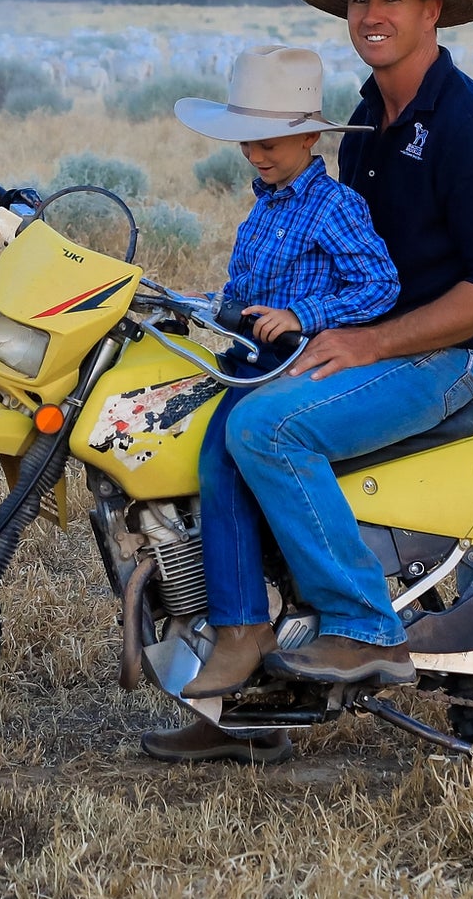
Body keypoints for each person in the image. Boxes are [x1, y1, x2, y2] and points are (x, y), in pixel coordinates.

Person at [143, 0, 473, 766]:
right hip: (363, 341)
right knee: (216, 424)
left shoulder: (471, 125)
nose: (371, 12)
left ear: (432, 7)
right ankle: (244, 699)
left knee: (266, 430)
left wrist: (364, 340)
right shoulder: (367, 113)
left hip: (438, 358)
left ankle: (365, 624)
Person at [151, 47, 399, 763]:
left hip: (293, 365)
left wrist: (302, 312)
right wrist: (194, 304)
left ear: (309, 137)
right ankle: (232, 707)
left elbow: (378, 286)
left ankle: (240, 628)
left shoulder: (335, 206)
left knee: (223, 461)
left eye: (268, 141)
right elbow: (241, 293)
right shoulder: (263, 209)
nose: (255, 154)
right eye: (247, 142)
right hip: (248, 356)